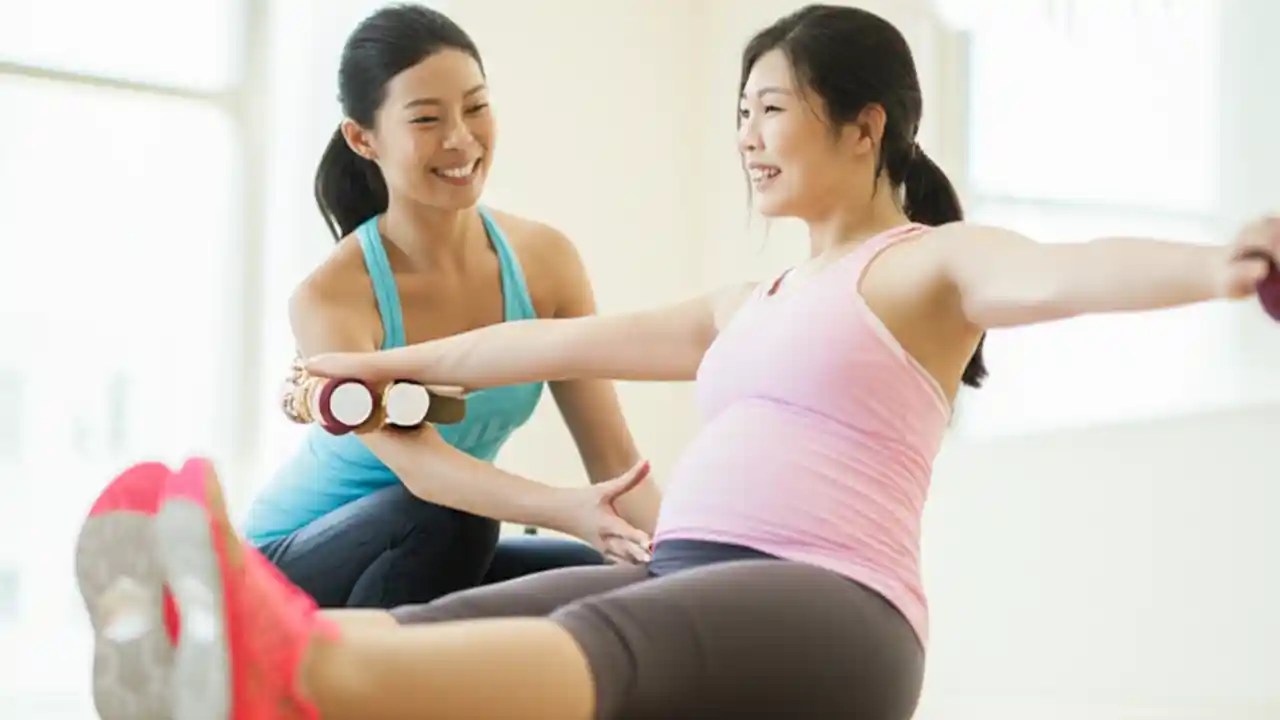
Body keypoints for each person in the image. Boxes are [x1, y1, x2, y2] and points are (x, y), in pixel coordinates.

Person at [76, 4, 1279, 719]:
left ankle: (291, 656)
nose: (745, 138)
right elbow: (541, 341)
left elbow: (1064, 271)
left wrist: (1223, 262)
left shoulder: (929, 264)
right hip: (688, 570)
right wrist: (369, 363)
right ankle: (235, 672)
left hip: (830, 603)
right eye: (739, 112)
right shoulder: (750, 296)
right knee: (442, 625)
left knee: (611, 653)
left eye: (769, 109)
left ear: (864, 126)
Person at [241, 3, 660, 611]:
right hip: (288, 569)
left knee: (617, 573)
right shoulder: (332, 296)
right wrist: (567, 507)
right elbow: (428, 473)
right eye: (426, 118)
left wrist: (691, 562)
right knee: (456, 518)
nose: (460, 138)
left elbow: (614, 459)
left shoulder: (545, 260)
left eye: (476, 106)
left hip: (436, 539)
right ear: (363, 138)